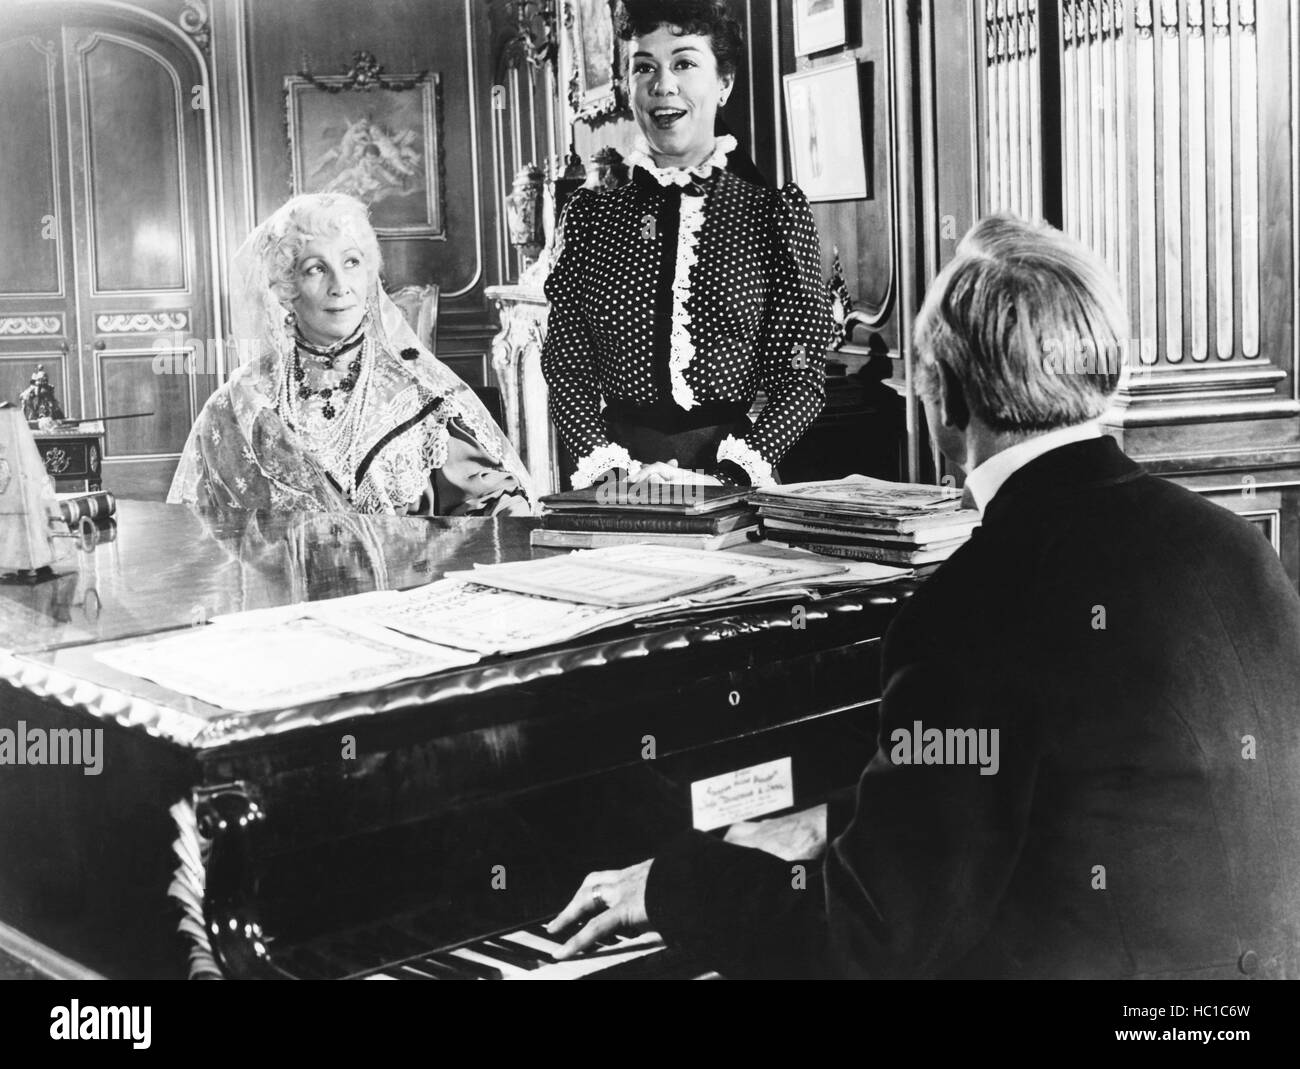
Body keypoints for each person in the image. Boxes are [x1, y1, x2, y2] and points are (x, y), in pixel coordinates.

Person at [547, 214, 1300, 979]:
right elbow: (1034, 787)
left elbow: (864, 944)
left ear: (943, 399)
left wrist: (672, 884)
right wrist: (824, 823)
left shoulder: (971, 607)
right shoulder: (1236, 548)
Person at [541, 0, 835, 493]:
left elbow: (800, 377)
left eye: (684, 63)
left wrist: (732, 474)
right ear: (629, 86)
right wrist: (612, 473)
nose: (663, 85)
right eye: (644, 67)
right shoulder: (591, 218)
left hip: (736, 482)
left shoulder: (771, 215)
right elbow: (567, 369)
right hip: (618, 485)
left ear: (724, 83)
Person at [168, 193, 533, 515]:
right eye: (316, 269)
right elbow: (199, 538)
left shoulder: (425, 396)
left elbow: (499, 511)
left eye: (352, 262)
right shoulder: (241, 405)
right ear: (287, 288)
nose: (340, 287)